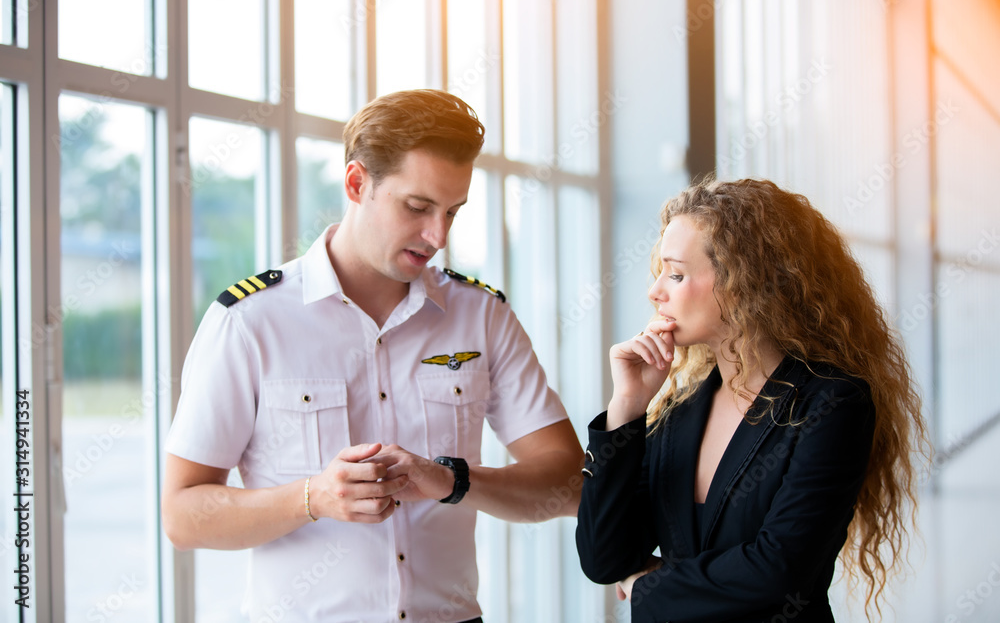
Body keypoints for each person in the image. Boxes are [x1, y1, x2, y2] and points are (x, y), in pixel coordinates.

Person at [162, 89, 583, 623]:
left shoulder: (483, 315)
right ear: (357, 183)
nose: (437, 236)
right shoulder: (248, 322)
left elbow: (566, 484)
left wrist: (453, 480)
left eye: (452, 212)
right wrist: (313, 497)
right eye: (417, 207)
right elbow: (182, 515)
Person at [576, 178, 928, 622]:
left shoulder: (832, 403)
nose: (655, 291)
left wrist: (648, 585)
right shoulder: (679, 411)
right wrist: (626, 407)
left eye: (678, 274)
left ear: (745, 282)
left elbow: (779, 568)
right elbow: (604, 558)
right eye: (660, 272)